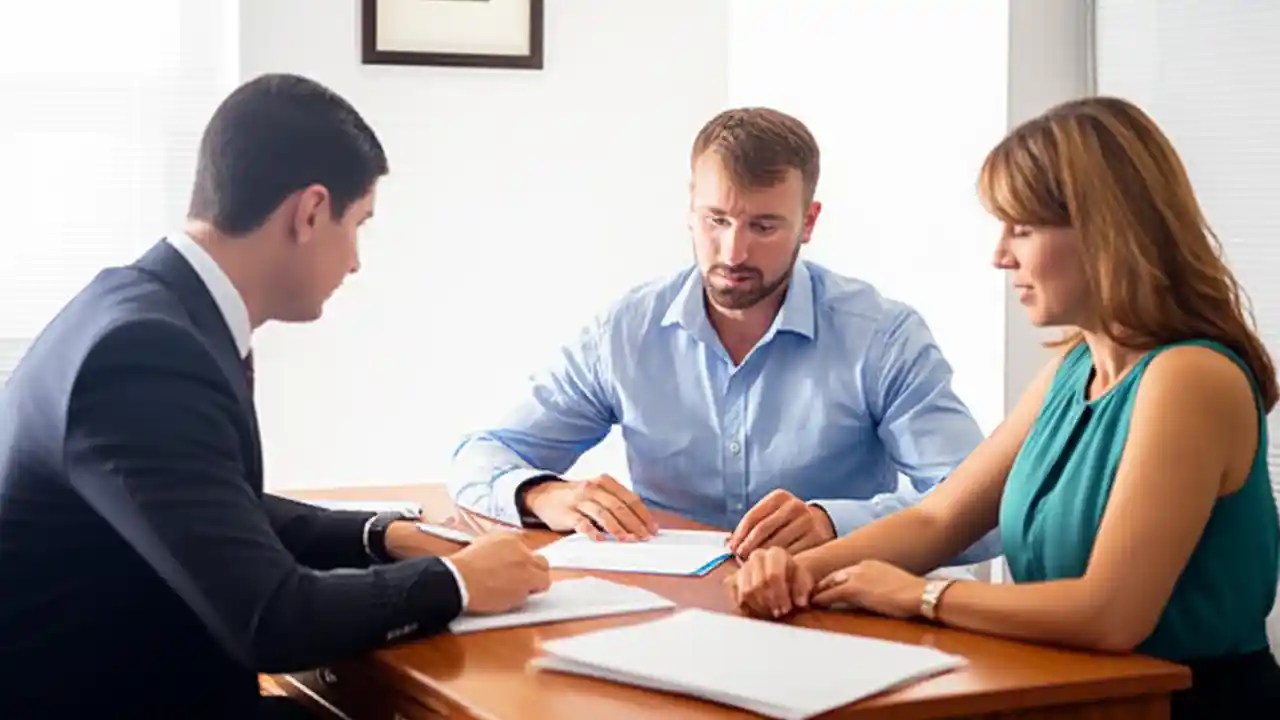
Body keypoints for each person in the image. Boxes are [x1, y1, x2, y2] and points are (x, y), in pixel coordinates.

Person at [0, 73, 550, 719]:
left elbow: (208, 506)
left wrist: (383, 535)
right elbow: (273, 621)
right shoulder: (147, 351)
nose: (355, 263)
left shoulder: (143, 306)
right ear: (310, 212)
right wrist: (457, 582)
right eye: (359, 224)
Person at [728, 96, 1280, 716]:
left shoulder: (1190, 378)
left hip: (1185, 706)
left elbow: (1110, 615)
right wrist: (798, 570)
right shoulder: (1070, 373)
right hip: (1074, 697)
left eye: (1023, 229)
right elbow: (938, 520)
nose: (1001, 255)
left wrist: (920, 597)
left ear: (1107, 230)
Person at [449, 107, 999, 565]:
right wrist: (544, 493)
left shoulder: (882, 338)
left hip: (828, 609)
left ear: (808, 222)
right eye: (716, 220)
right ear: (690, 208)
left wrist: (832, 523)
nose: (734, 253)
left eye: (763, 226)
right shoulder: (626, 331)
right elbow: (480, 457)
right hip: (662, 612)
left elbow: (982, 514)